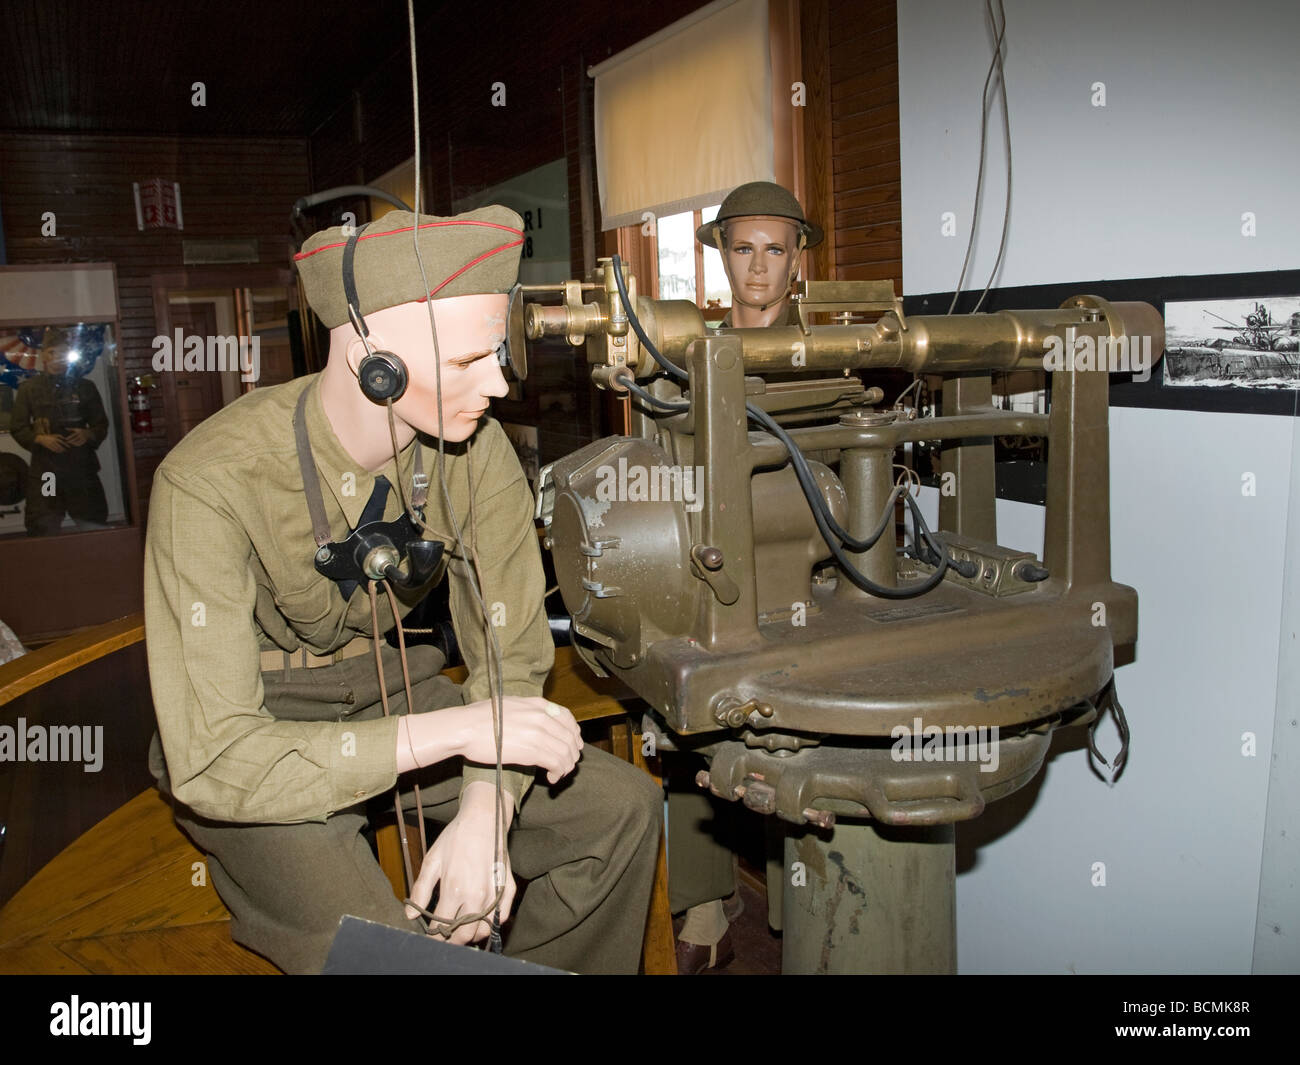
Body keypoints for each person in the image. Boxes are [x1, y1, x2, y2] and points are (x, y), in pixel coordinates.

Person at [144, 206, 662, 974]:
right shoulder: (208, 481)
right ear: (372, 360)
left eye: (498, 354)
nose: (498, 382)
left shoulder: (474, 449)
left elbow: (508, 648)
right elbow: (214, 758)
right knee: (386, 956)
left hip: (402, 692)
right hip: (262, 728)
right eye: (466, 362)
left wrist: (489, 802)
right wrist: (459, 736)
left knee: (624, 809)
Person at [668, 182, 823, 972]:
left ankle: (801, 912)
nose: (757, 266)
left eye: (775, 248)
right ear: (722, 255)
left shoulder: (829, 356)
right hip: (705, 570)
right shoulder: (686, 350)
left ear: (799, 259)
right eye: (742, 247)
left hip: (798, 579)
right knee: (683, 727)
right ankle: (702, 898)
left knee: (795, 747)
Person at [11, 336, 110, 536]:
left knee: (92, 521)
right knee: (43, 522)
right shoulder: (29, 389)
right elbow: (18, 427)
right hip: (48, 472)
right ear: (43, 356)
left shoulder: (85, 387)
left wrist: (88, 434)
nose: (57, 357)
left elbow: (101, 424)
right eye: (51, 352)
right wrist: (39, 439)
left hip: (80, 468)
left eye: (63, 352)